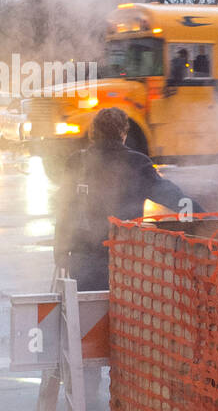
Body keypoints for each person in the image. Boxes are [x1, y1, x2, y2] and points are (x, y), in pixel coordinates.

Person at [53, 107, 200, 291]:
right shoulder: (137, 163)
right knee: (126, 313)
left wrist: (60, 252)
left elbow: (64, 209)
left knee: (85, 314)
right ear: (123, 133)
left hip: (83, 260)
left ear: (93, 133)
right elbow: (171, 196)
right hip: (125, 257)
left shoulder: (77, 162)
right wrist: (200, 215)